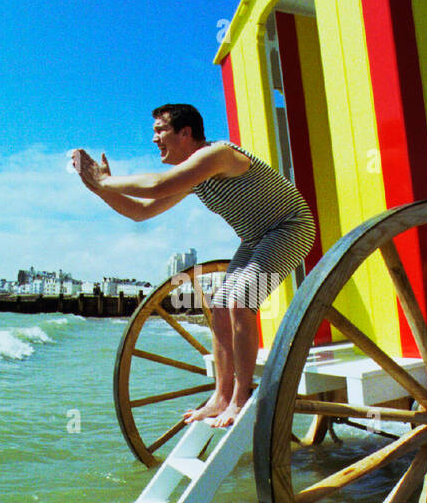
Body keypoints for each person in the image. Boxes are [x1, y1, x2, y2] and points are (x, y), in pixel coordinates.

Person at [72, 104, 315, 428]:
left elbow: (157, 185)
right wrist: (98, 188)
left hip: (290, 227)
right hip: (256, 237)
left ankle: (242, 398)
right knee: (217, 305)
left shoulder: (217, 155)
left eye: (160, 130)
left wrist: (105, 181)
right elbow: (141, 211)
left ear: (186, 133)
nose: (154, 138)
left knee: (240, 302)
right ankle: (221, 396)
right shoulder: (196, 177)